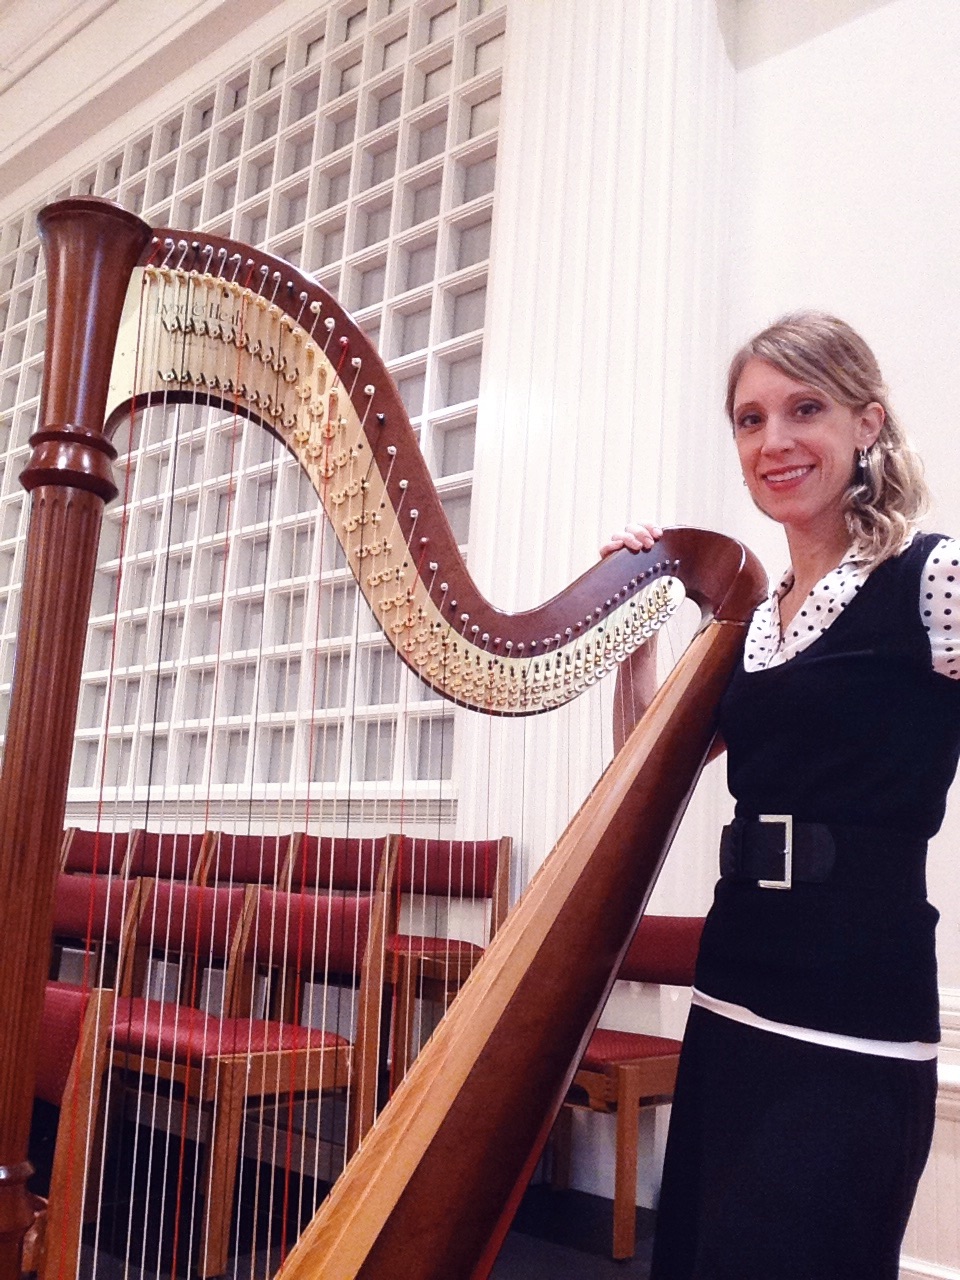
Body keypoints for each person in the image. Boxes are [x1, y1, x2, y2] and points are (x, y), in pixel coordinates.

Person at [601, 311, 960, 1279]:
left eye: (806, 409)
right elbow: (651, 762)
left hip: (857, 999)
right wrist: (633, 631)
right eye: (750, 419)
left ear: (866, 422)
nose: (775, 441)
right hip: (735, 986)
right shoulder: (752, 620)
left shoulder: (931, 575)